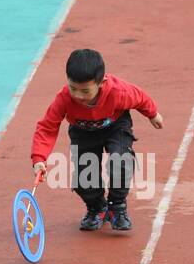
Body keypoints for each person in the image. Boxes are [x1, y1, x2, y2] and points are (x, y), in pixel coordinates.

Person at [31, 49, 163, 231]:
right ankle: (97, 208)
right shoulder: (64, 98)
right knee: (84, 178)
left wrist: (153, 114)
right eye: (73, 88)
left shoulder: (118, 91)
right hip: (82, 131)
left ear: (102, 83)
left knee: (121, 162)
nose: (78, 95)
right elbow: (47, 127)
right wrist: (39, 159)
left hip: (116, 127)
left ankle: (117, 206)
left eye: (85, 90)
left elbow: (140, 97)